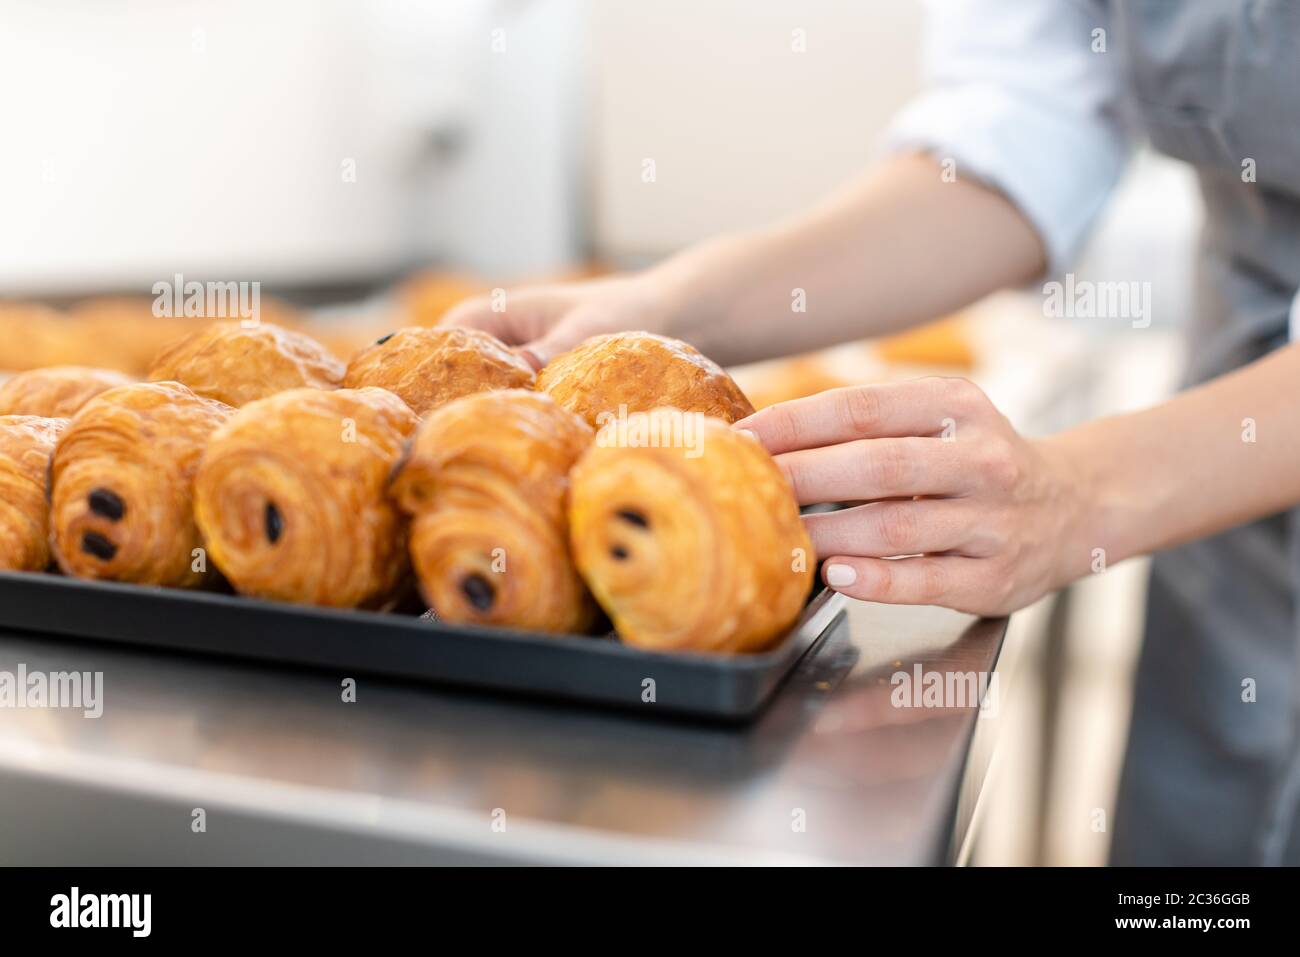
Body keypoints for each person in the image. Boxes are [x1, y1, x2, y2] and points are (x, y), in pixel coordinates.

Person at [444, 1, 1300, 865]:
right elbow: (1021, 140)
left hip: (1195, 468)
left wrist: (1085, 491)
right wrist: (664, 310)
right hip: (1233, 520)